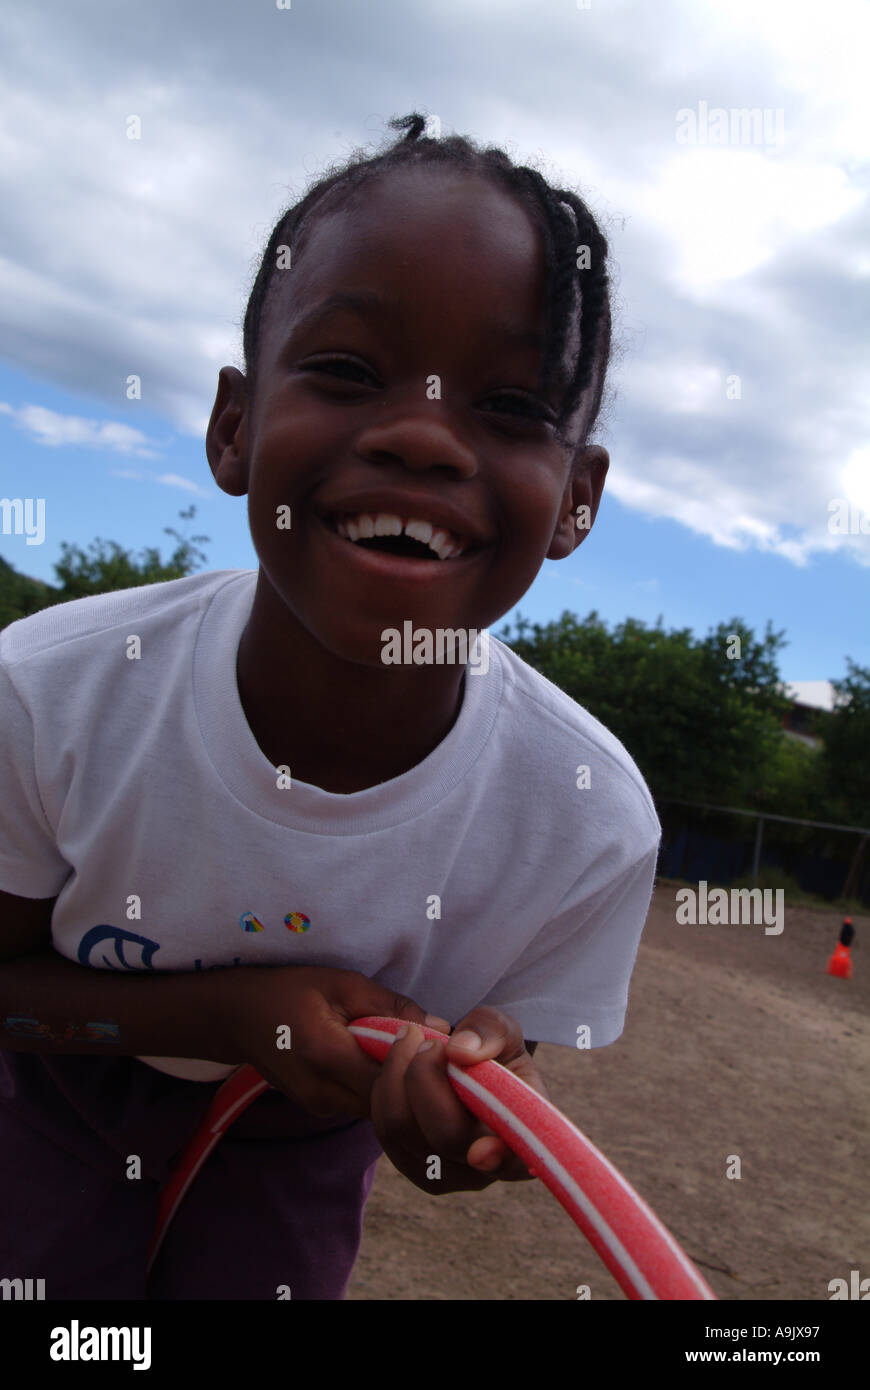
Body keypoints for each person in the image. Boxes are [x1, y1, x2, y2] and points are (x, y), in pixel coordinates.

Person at [0, 113, 661, 1300]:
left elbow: (501, 1083)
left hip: (301, 1145)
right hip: (50, 1104)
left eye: (512, 409)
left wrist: (462, 1120)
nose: (420, 435)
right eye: (350, 372)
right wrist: (233, 1017)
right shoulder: (48, 693)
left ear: (577, 499)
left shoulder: (587, 819)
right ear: (234, 426)